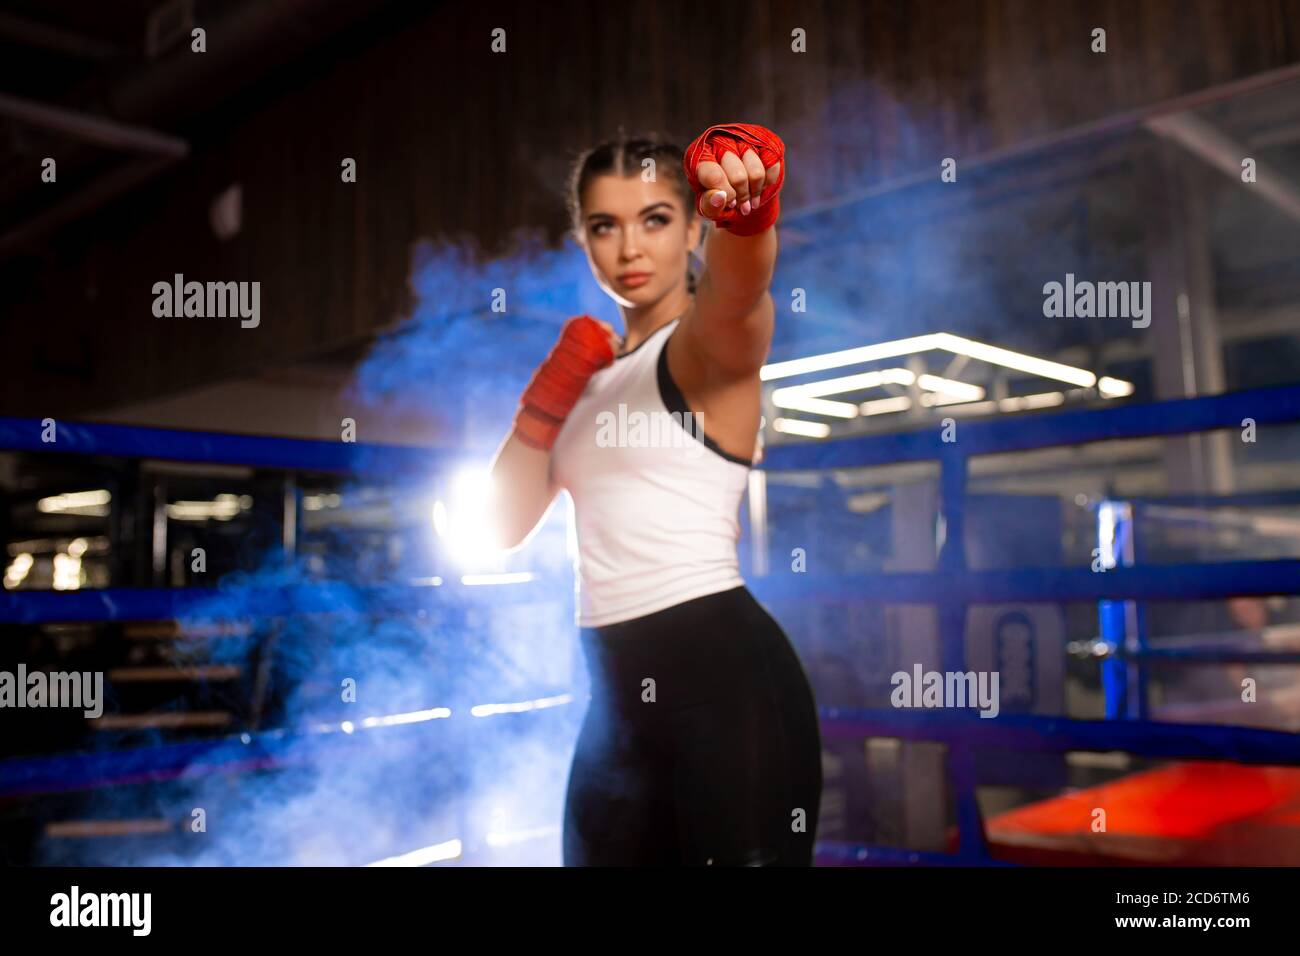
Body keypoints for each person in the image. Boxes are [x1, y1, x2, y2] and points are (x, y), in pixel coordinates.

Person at [487, 123, 822, 865]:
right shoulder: (589, 378)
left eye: (656, 220)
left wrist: (748, 215)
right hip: (612, 704)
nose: (629, 249)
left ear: (695, 229)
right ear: (583, 239)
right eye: (605, 226)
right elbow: (499, 525)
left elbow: (740, 292)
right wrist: (546, 403)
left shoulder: (703, 347)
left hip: (724, 684)